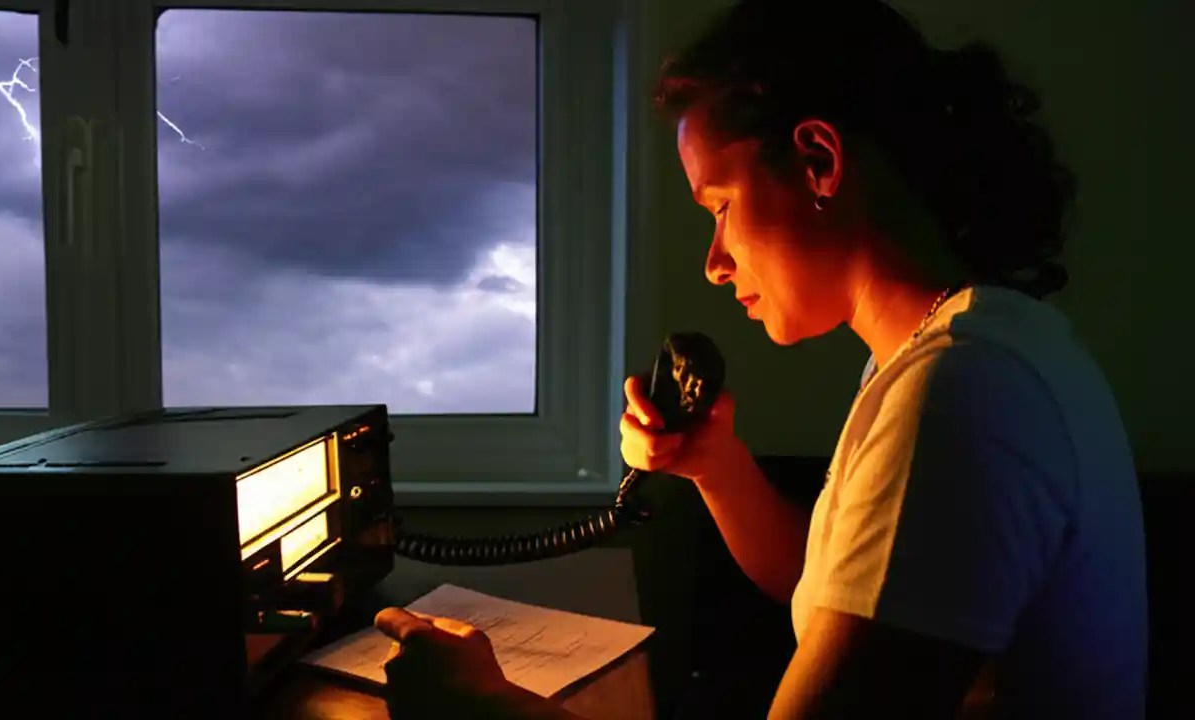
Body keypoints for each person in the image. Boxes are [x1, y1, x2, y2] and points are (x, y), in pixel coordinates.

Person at [372, 0, 1148, 717]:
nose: (714, 262)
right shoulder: (958, 354)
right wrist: (717, 467)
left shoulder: (962, 394)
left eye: (720, 206)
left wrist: (484, 708)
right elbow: (833, 584)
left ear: (818, 162)